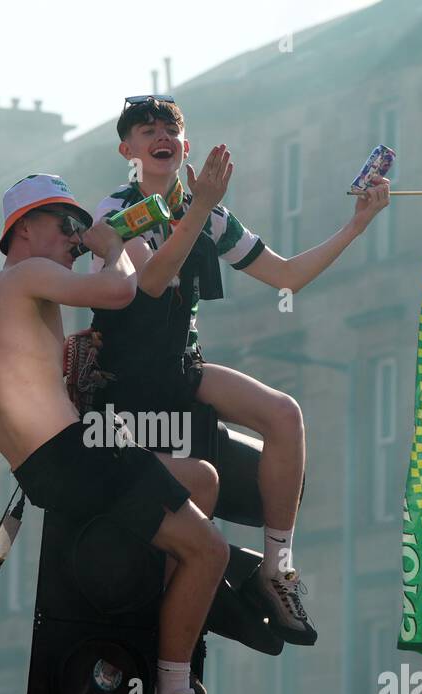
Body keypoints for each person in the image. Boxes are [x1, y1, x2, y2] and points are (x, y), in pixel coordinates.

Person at [87, 95, 392, 643]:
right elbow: (148, 285)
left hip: (181, 365)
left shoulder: (209, 211)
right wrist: (199, 208)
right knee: (184, 510)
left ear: (186, 146)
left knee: (283, 413)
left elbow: (287, 277)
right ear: (126, 149)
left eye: (170, 129)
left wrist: (358, 225)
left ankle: (278, 568)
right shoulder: (115, 210)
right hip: (125, 379)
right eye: (146, 129)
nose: (161, 136)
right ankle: (169, 634)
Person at [0, 173, 231, 694]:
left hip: (44, 467)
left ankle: (165, 639)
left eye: (79, 229)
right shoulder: (25, 276)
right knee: (210, 553)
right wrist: (112, 246)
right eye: (66, 226)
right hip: (77, 456)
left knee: (202, 479)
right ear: (24, 228)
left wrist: (70, 376)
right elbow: (121, 293)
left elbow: (19, 393)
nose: (75, 238)